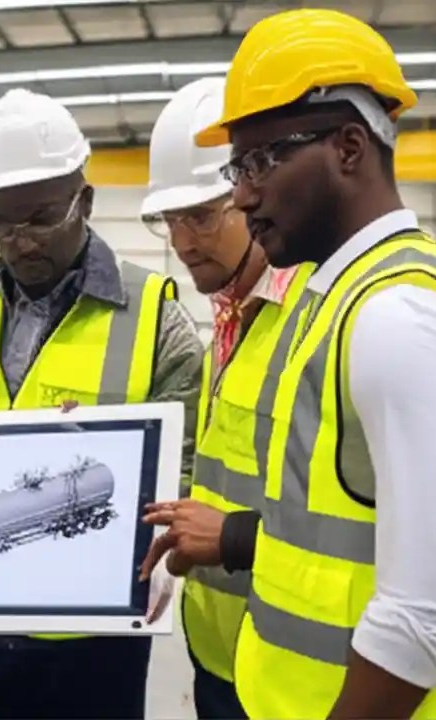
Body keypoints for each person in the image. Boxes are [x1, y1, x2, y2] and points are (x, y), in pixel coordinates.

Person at [143, 8, 436, 719]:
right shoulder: (337, 303)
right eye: (238, 168)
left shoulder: (402, 319)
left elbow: (428, 616)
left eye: (261, 161)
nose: (242, 194)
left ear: (350, 148)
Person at [0, 87, 205, 720]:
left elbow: (186, 466)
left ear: (84, 200)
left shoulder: (155, 321)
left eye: (40, 219)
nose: (20, 242)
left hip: (89, 640)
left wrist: (163, 549)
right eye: (0, 223)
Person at [137, 76, 312, 720]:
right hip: (218, 654)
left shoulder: (313, 319)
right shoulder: (228, 317)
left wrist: (234, 540)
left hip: (295, 665)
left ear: (249, 193)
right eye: (170, 220)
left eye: (202, 215)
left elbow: (359, 530)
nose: (183, 243)